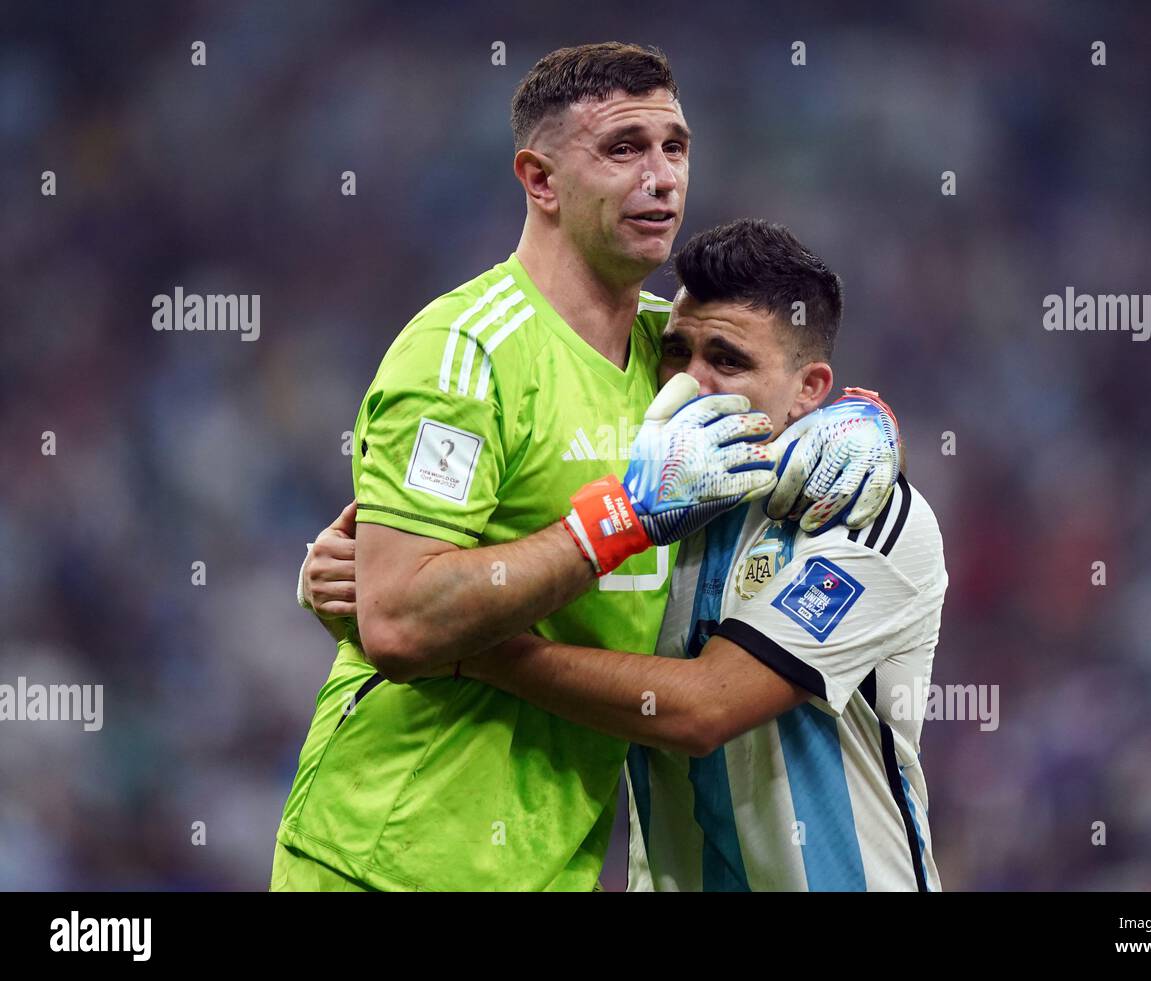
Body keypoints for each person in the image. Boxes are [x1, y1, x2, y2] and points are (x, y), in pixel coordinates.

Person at [274, 44, 896, 892]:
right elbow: (397, 623)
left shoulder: (670, 353)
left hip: (551, 863)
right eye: (623, 148)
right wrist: (620, 519)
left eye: (674, 147)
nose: (662, 177)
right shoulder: (464, 354)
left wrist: (865, 419)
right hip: (387, 855)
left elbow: (784, 388)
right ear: (539, 179)